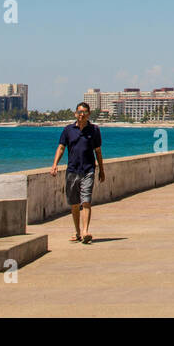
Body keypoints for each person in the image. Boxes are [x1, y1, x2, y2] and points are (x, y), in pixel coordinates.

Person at [50, 102, 105, 244]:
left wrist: (101, 170)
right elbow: (61, 147)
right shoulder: (68, 130)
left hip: (88, 170)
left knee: (86, 200)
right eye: (80, 112)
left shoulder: (94, 130)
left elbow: (98, 151)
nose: (82, 115)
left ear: (89, 114)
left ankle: (86, 231)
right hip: (72, 170)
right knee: (74, 203)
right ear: (75, 114)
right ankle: (77, 232)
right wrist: (55, 164)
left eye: (85, 112)